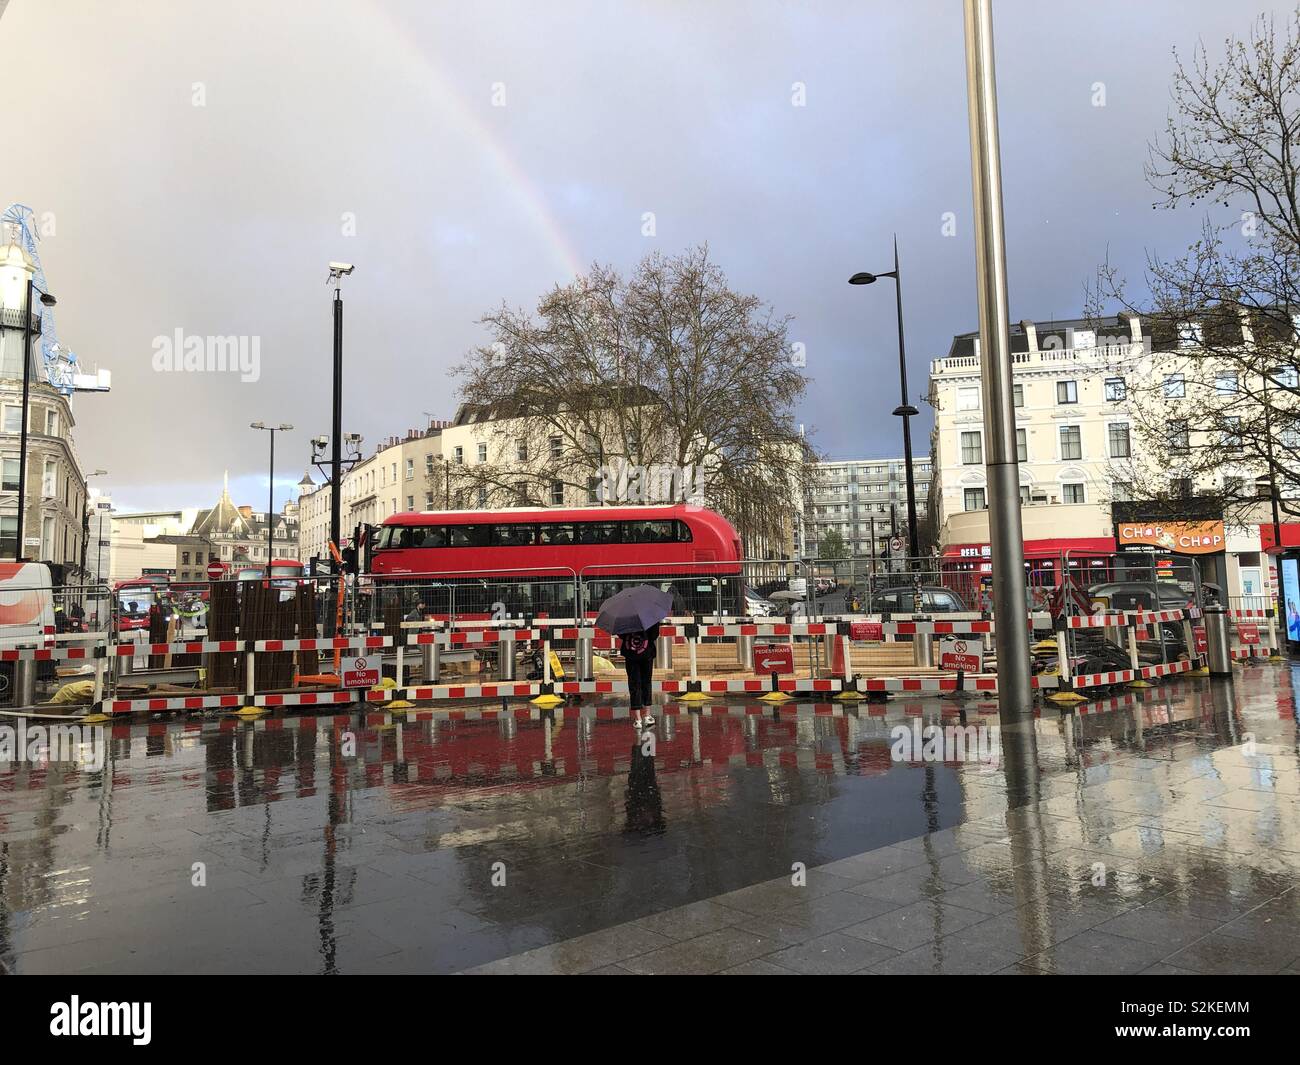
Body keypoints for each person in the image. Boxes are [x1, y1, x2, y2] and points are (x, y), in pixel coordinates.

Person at [619, 622, 660, 726]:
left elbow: (621, 635)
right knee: (646, 682)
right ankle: (647, 715)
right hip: (647, 653)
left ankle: (638, 719)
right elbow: (654, 635)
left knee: (634, 684)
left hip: (630, 653)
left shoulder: (625, 617)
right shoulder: (650, 616)